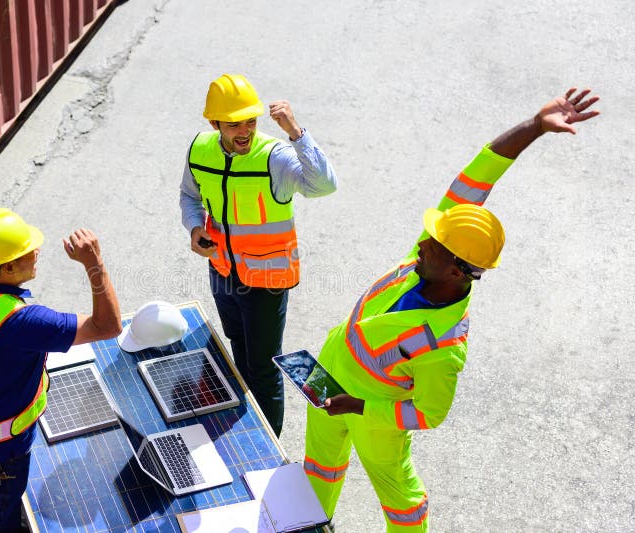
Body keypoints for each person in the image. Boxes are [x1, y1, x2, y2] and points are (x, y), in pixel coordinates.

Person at [303, 88, 600, 531]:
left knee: (402, 503)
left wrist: (361, 407)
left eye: (434, 244)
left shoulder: (444, 346)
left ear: (459, 271)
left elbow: (429, 413)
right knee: (318, 469)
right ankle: (309, 522)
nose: (421, 243)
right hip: (326, 372)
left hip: (372, 411)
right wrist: (534, 126)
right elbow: (475, 180)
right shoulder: (428, 262)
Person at [0, 208, 122, 532]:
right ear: (7, 267)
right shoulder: (23, 322)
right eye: (26, 251)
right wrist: (95, 263)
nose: (36, 251)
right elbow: (108, 326)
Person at [179, 73, 338, 436]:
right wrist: (194, 227)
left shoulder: (274, 158)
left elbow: (324, 185)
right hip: (221, 272)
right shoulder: (200, 150)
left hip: (266, 282)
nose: (245, 131)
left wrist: (296, 133)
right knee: (238, 349)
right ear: (214, 123)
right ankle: (246, 423)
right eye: (235, 124)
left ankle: (268, 445)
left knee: (263, 367)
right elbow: (189, 195)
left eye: (250, 121)